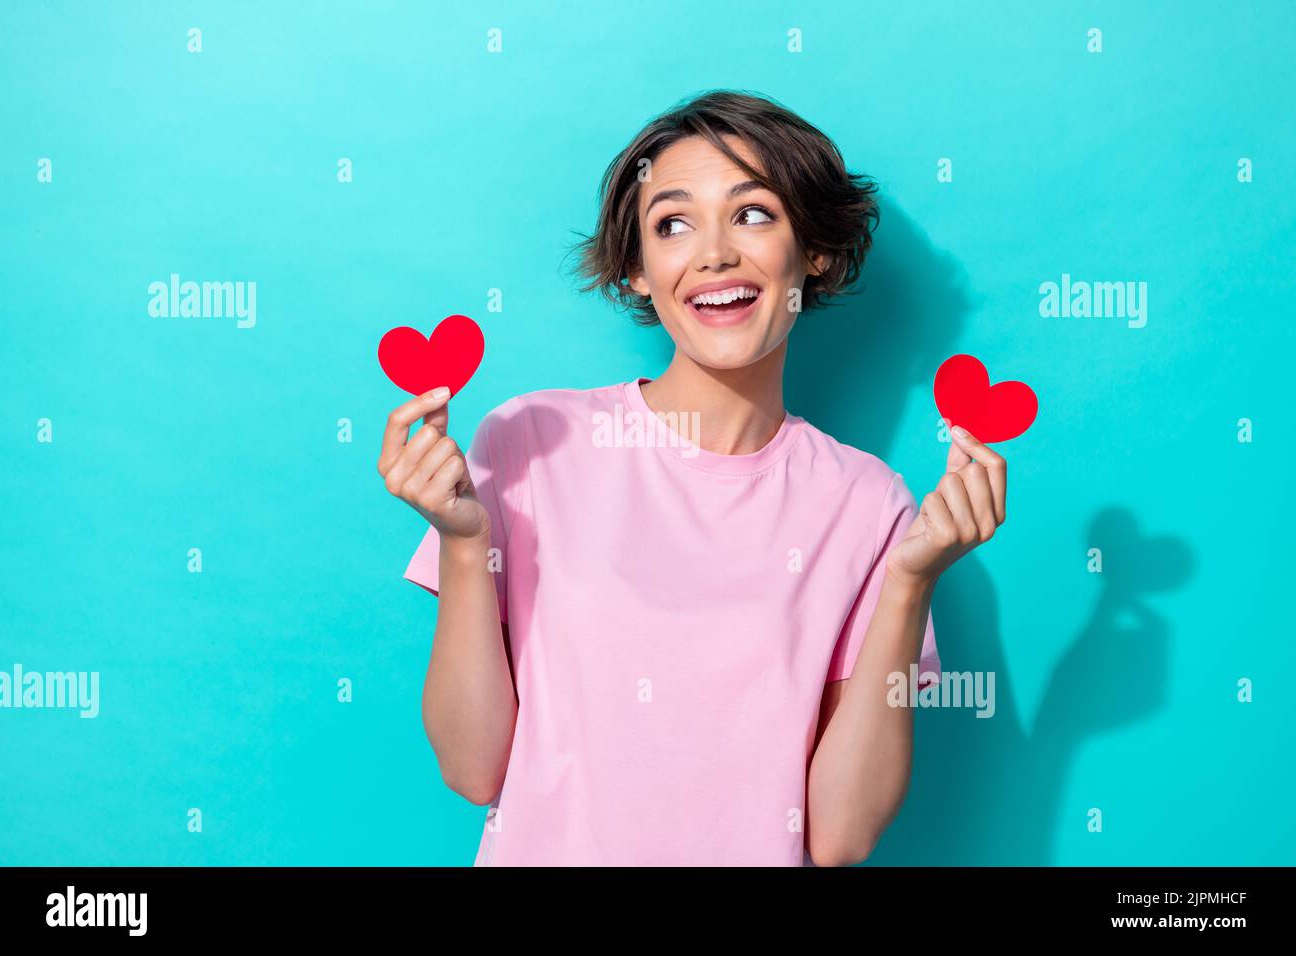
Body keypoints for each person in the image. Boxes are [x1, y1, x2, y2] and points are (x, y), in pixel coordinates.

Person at [377, 90, 1007, 866]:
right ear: (637, 271)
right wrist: (465, 544)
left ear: (815, 251)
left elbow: (840, 836)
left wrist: (911, 583)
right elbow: (473, 769)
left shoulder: (868, 505)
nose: (714, 254)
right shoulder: (530, 442)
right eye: (673, 224)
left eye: (753, 214)